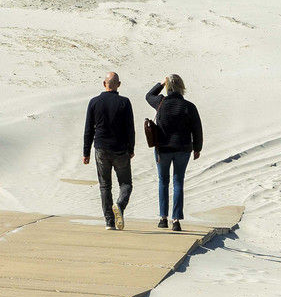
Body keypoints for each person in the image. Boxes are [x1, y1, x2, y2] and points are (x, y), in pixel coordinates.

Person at [145, 74, 203, 232]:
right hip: (182, 149)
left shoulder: (160, 102)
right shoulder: (188, 106)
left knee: (163, 181)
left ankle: (163, 218)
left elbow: (148, 95)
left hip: (162, 149)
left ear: (167, 87)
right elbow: (197, 129)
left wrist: (161, 83)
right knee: (178, 182)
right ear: (181, 86)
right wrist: (197, 148)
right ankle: (176, 220)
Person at [83, 71, 135, 229]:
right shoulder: (124, 102)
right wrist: (131, 148)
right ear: (118, 85)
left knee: (105, 185)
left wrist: (86, 153)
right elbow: (130, 128)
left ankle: (109, 221)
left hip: (101, 148)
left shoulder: (94, 102)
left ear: (104, 84)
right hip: (120, 149)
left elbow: (88, 129)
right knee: (126, 183)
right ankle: (119, 205)